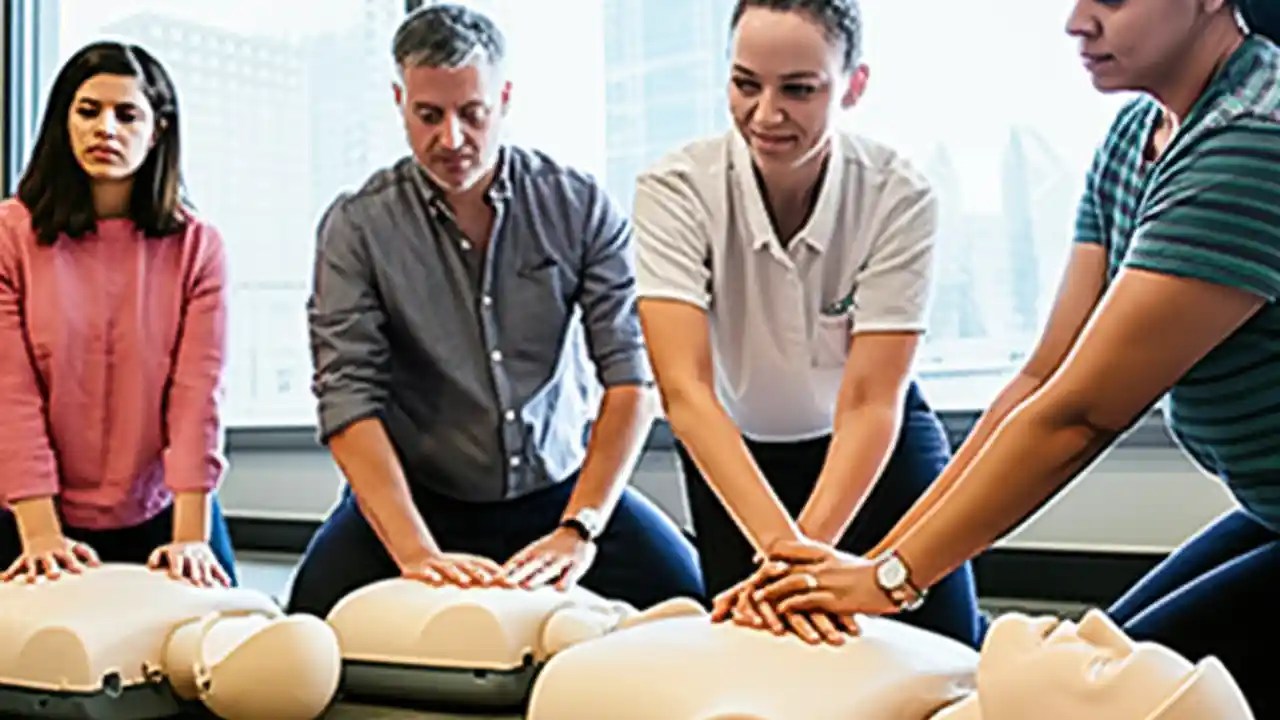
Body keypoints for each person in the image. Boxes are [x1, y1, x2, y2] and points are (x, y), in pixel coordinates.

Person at [752, 0, 1280, 715]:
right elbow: (1042, 378)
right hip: (1266, 506)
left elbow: (1082, 416)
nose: (1077, 22)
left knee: (1120, 699)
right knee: (1103, 660)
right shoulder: (1137, 136)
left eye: (1112, 0)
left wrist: (892, 581)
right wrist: (879, 567)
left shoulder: (1251, 138)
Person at [285, 3, 703, 619]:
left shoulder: (578, 205)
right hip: (420, 496)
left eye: (471, 113)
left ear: (503, 99)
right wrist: (416, 554)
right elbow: (347, 400)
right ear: (399, 100)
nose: (450, 139)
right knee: (304, 627)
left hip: (559, 492)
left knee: (689, 598)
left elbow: (631, 379)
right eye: (428, 115)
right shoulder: (358, 227)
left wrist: (580, 530)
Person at [632, 0, 982, 648]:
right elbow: (685, 393)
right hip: (737, 455)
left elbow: (872, 398)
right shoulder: (676, 189)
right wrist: (786, 556)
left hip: (875, 445)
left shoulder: (896, 195)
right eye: (745, 84)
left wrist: (799, 561)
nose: (766, 114)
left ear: (853, 85)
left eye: (798, 89)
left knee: (947, 651)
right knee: (763, 657)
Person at [0, 41, 235, 588]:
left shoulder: (198, 247)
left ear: (157, 132)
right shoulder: (10, 236)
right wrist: (41, 538)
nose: (105, 128)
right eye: (88, 111)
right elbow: (10, 395)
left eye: (127, 114)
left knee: (232, 647)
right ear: (64, 122)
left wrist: (191, 538)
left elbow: (197, 399)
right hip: (25, 508)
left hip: (157, 509)